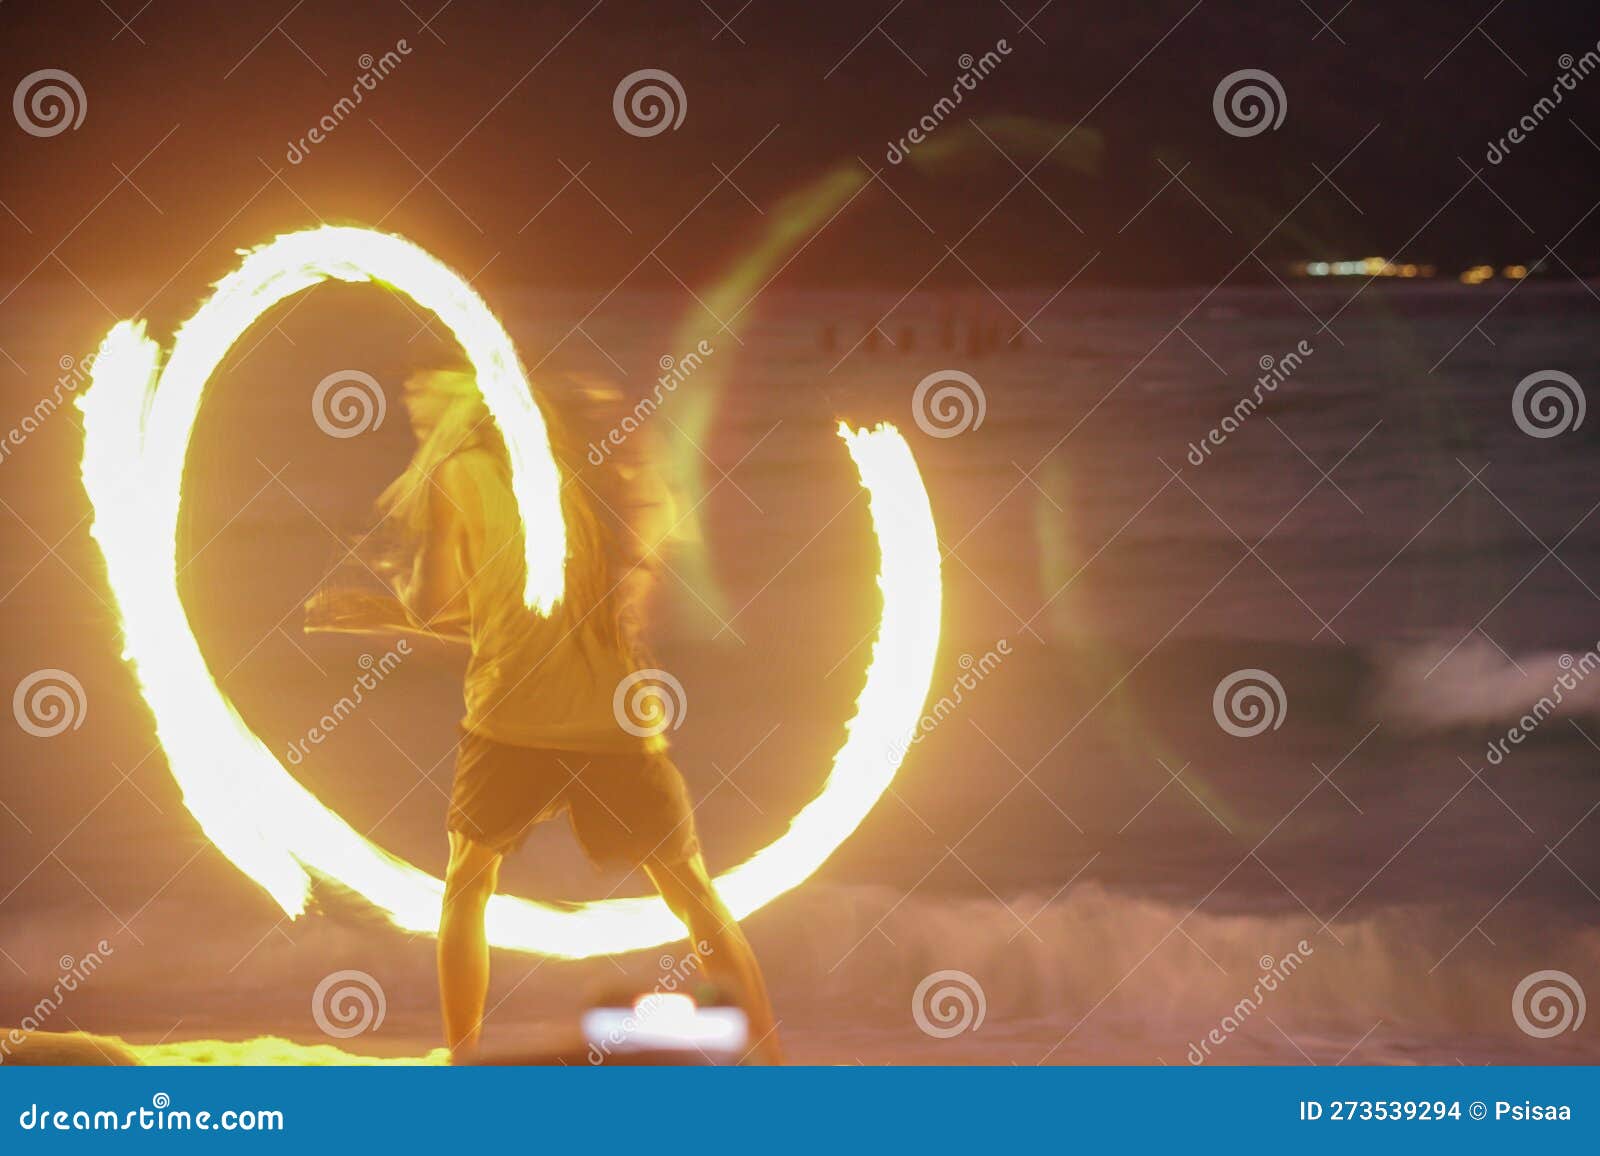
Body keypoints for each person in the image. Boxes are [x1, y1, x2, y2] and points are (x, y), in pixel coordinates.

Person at [372, 368, 780, 1064]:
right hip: (617, 720)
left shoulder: (456, 473)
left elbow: (440, 602)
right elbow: (540, 604)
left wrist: (388, 606)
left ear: (473, 403)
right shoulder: (588, 479)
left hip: (511, 719)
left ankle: (463, 1061)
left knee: (467, 888)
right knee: (693, 895)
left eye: (428, 396)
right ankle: (771, 1063)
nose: (417, 406)